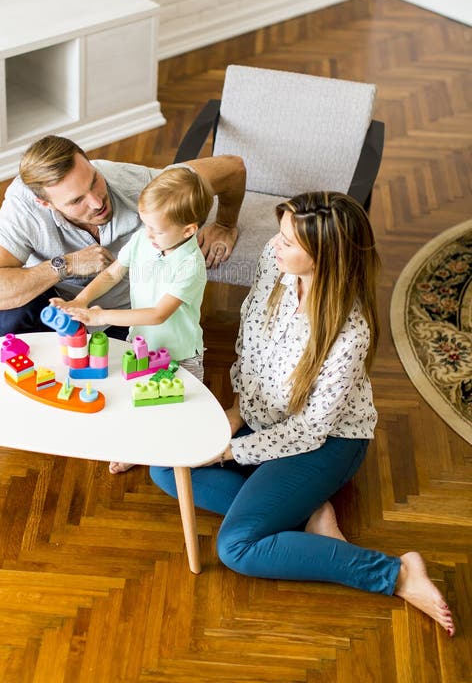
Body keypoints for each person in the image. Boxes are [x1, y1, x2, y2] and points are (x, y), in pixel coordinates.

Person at [150, 191, 455, 636]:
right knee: (166, 467)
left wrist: (226, 452)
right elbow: (249, 347)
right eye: (281, 232)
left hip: (325, 443)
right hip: (264, 418)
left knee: (237, 547)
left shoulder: (349, 333)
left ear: (324, 257)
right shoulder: (273, 265)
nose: (274, 244)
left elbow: (309, 430)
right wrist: (236, 412)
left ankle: (398, 573)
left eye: (289, 242)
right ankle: (308, 512)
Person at [0, 135, 246, 339]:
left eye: (94, 181)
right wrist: (66, 265)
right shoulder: (24, 206)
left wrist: (225, 224)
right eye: (77, 200)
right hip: (60, 307)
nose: (96, 201)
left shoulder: (141, 185)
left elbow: (233, 168)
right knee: (7, 313)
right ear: (46, 204)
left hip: (125, 317)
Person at [52, 166, 213, 473]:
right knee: (139, 400)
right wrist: (81, 300)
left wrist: (100, 316)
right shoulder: (145, 239)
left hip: (180, 354)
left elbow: (158, 314)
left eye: (157, 229)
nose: (147, 233)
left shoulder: (190, 264)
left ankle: (182, 450)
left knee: (178, 411)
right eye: (145, 224)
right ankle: (138, 447)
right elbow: (113, 273)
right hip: (141, 345)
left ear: (189, 230)